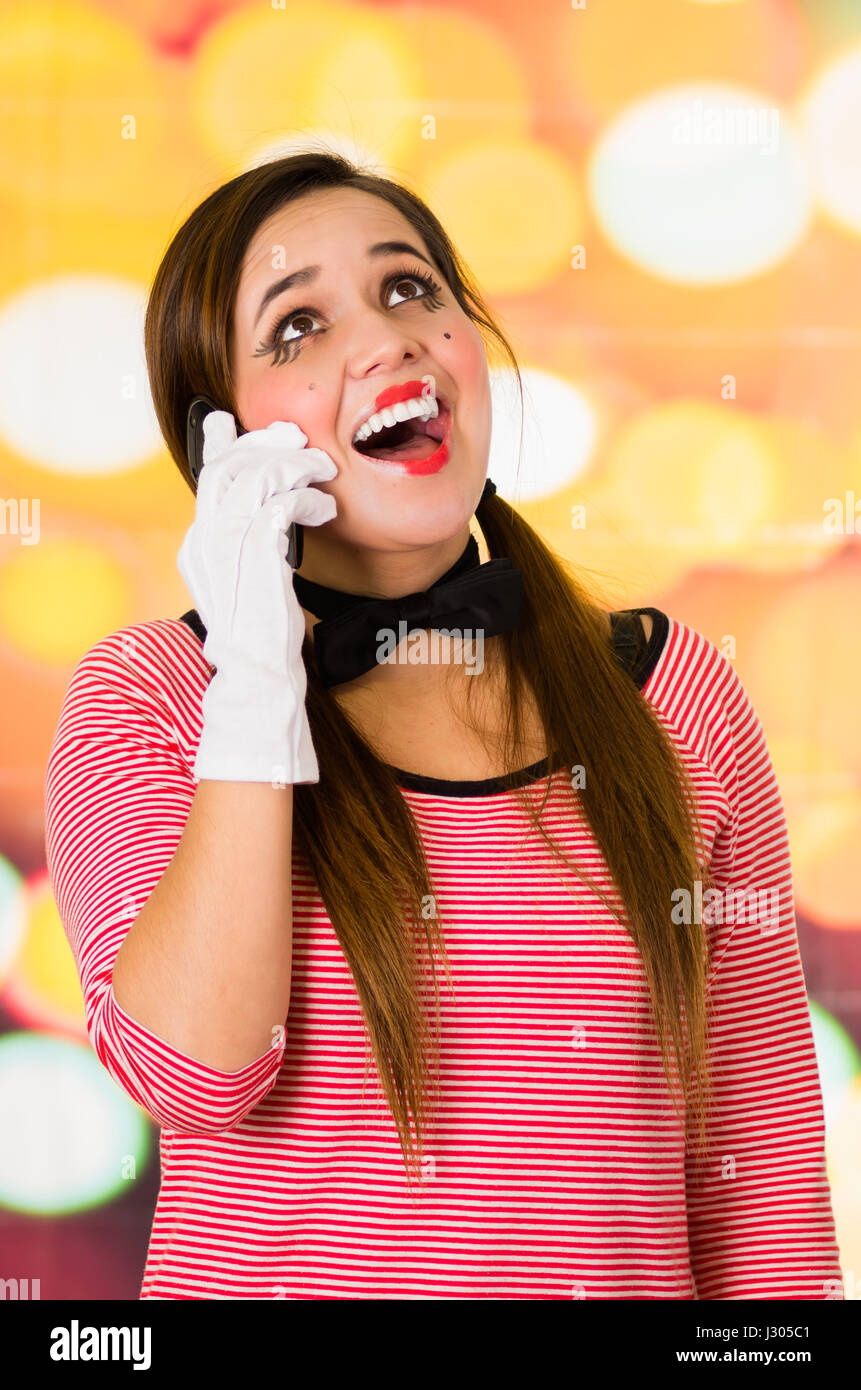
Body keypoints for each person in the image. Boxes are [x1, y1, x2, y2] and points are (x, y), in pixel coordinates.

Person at [44, 150, 843, 1301]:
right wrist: (258, 676)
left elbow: (756, 1166)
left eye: (409, 289)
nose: (386, 341)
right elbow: (194, 1070)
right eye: (298, 327)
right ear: (224, 441)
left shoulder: (672, 700)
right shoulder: (152, 697)